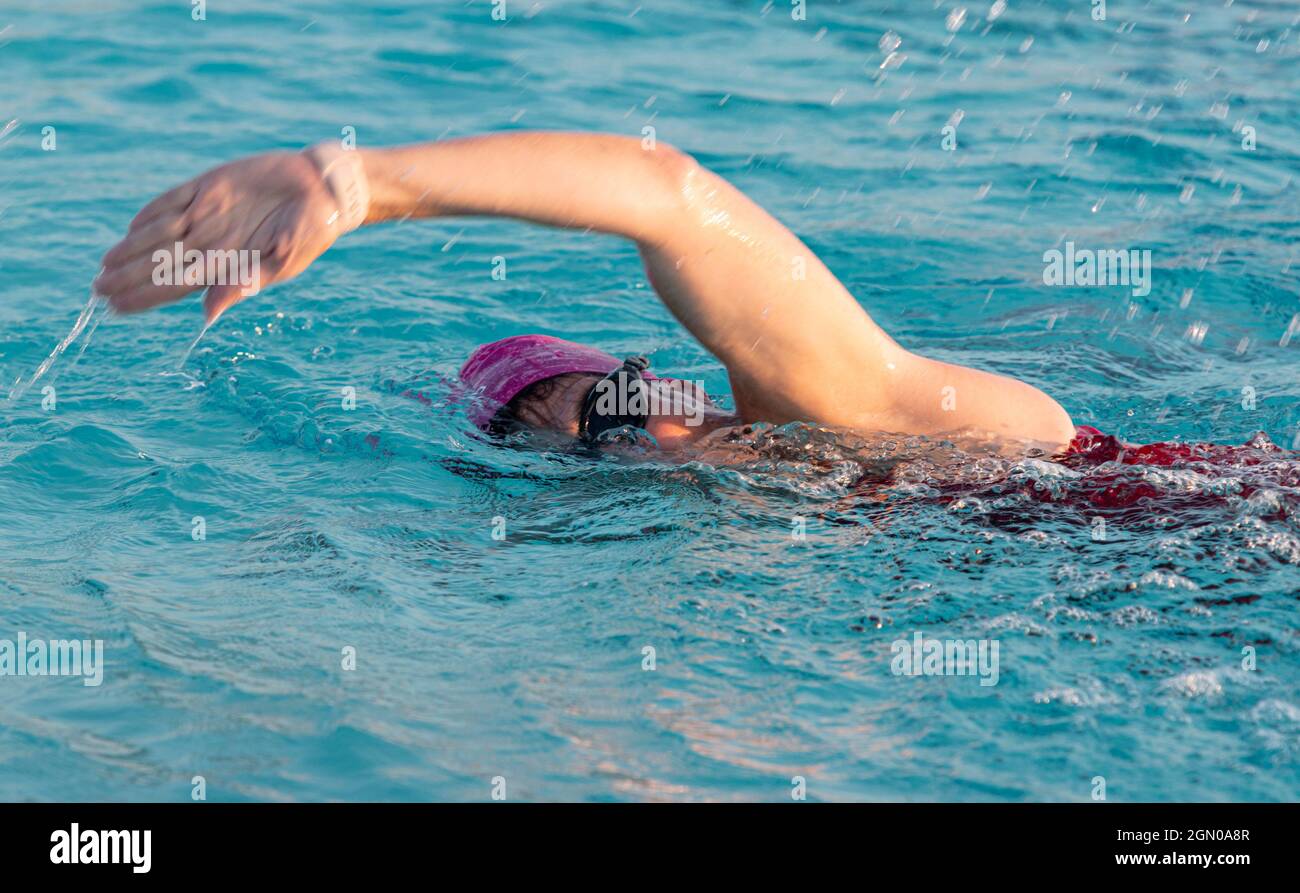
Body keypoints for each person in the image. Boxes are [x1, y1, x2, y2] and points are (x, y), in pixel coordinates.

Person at [94, 131, 1076, 452]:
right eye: (601, 428)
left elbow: (668, 196)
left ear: (686, 379)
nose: (647, 426)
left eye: (626, 390)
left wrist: (358, 185)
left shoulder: (864, 412)